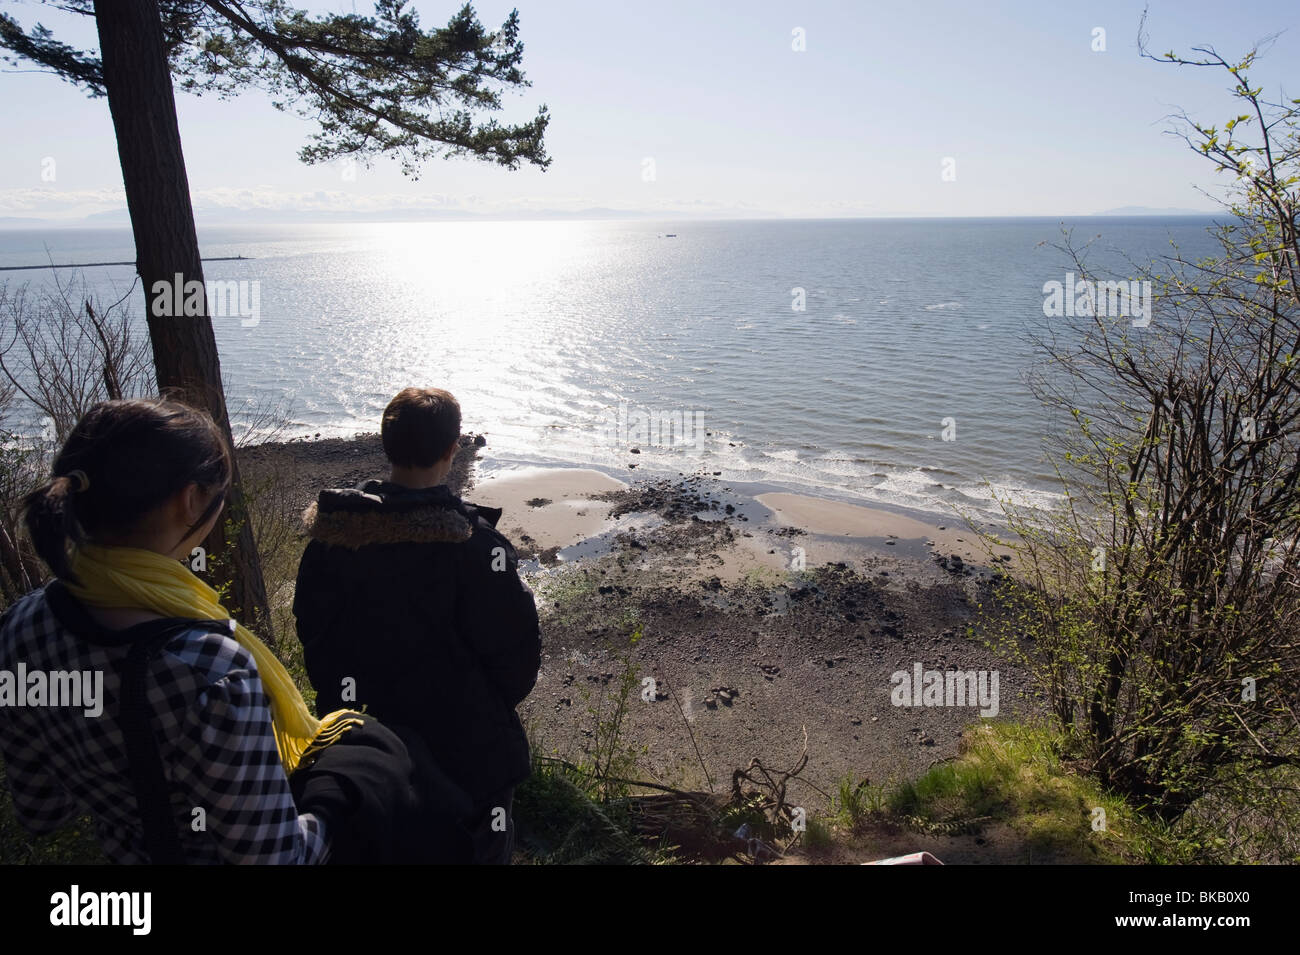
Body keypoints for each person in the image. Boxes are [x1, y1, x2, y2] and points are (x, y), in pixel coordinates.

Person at [0, 397, 425, 864]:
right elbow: (277, 858)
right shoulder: (211, 670)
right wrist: (341, 795)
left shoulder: (19, 627)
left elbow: (43, 810)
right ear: (190, 500)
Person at [294, 386, 541, 864]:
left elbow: (314, 636)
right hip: (469, 759)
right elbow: (517, 659)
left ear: (388, 446)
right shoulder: (473, 548)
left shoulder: (330, 541)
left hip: (361, 748)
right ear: (453, 449)